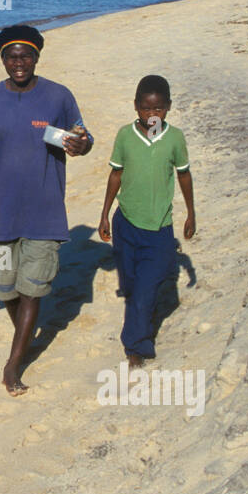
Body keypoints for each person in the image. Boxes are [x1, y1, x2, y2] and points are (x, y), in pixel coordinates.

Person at [0, 24, 93, 396]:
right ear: (2, 59)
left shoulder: (58, 97)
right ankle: (25, 338)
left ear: (37, 57)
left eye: (26, 55)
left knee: (33, 290)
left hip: (44, 213)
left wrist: (80, 145)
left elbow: (84, 138)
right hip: (2, 215)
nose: (19, 62)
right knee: (7, 289)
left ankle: (13, 364)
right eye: (11, 56)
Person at [97, 75, 195, 367]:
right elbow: (116, 174)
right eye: (145, 109)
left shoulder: (175, 138)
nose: (152, 115)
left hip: (159, 228)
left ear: (168, 108)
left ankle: (137, 347)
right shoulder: (125, 136)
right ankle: (140, 318)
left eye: (159, 109)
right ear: (136, 107)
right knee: (130, 285)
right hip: (125, 224)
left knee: (146, 288)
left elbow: (184, 175)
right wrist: (104, 213)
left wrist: (191, 212)